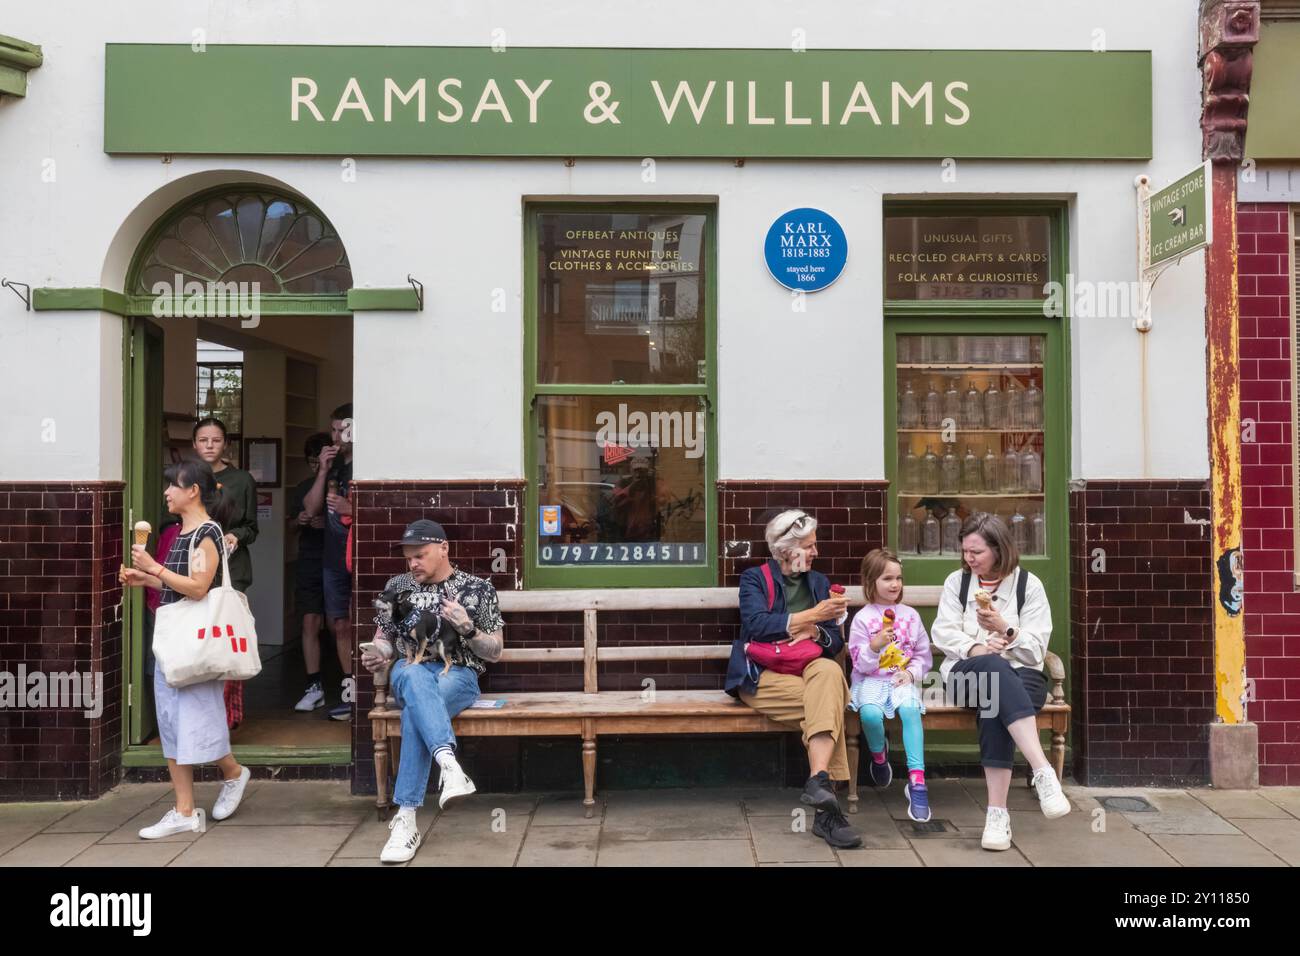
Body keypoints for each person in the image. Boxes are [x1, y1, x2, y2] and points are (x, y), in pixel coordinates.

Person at [361, 520, 506, 864]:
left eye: (420, 556)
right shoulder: (396, 586)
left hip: (457, 676)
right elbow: (383, 637)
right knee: (412, 676)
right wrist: (378, 653)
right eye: (409, 558)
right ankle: (449, 765)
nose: (413, 564)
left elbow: (495, 652)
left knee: (416, 709)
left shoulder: (476, 589)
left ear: (444, 549)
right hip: (407, 670)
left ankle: (406, 819)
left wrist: (467, 628)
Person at [120, 459, 251, 838]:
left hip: (194, 643)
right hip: (175, 641)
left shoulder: (206, 533)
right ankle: (185, 809)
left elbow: (198, 587)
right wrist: (143, 577)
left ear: (193, 490)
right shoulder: (181, 532)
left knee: (196, 720)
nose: (166, 493)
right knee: (173, 722)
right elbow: (179, 587)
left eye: (172, 486)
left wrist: (154, 569)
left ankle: (232, 774)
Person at [930, 512, 1071, 852]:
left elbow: (1037, 647)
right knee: (992, 671)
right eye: (965, 551)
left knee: (994, 700)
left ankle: (997, 815)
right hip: (965, 673)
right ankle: (1042, 770)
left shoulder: (1028, 586)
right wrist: (978, 647)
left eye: (976, 552)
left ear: (999, 548)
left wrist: (1005, 629)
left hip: (1021, 675)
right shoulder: (957, 583)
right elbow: (943, 632)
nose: (969, 559)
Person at [726, 509, 862, 850]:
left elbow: (834, 643)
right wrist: (812, 616)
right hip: (764, 676)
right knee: (828, 705)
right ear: (787, 549)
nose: (816, 552)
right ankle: (828, 815)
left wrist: (817, 630)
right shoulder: (754, 579)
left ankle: (818, 782)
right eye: (809, 546)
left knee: (829, 674)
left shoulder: (817, 582)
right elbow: (757, 625)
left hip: (810, 669)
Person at [847, 548, 933, 822]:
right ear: (871, 582)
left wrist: (911, 674)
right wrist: (874, 646)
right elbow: (859, 664)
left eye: (898, 578)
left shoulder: (910, 616)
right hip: (870, 680)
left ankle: (917, 781)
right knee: (870, 714)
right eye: (887, 578)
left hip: (899, 678)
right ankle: (879, 757)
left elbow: (922, 655)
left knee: (909, 708)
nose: (895, 584)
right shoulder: (862, 618)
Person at [191, 417, 259, 730]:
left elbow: (252, 528)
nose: (209, 446)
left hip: (233, 568)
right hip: (195, 568)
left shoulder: (242, 480)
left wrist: (236, 536)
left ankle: (228, 715)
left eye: (216, 440)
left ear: (225, 444)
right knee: (200, 639)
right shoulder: (185, 478)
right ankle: (202, 714)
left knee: (230, 640)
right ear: (194, 444)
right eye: (203, 440)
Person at [303, 403, 354, 720]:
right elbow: (310, 509)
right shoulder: (332, 466)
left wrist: (350, 506)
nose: (337, 437)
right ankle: (350, 697)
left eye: (342, 430)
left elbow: (386, 513)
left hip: (356, 557)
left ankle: (363, 694)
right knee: (339, 625)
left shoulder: (364, 465)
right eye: (333, 430)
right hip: (332, 558)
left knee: (360, 623)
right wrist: (322, 470)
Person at [289, 432, 333, 711]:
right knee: (309, 622)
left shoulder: (340, 483)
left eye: (320, 461)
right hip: (309, 559)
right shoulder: (304, 487)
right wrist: (301, 520)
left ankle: (348, 687)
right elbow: (290, 526)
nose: (316, 467)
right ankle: (313, 685)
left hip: (336, 559)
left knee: (342, 625)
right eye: (311, 462)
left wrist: (327, 525)